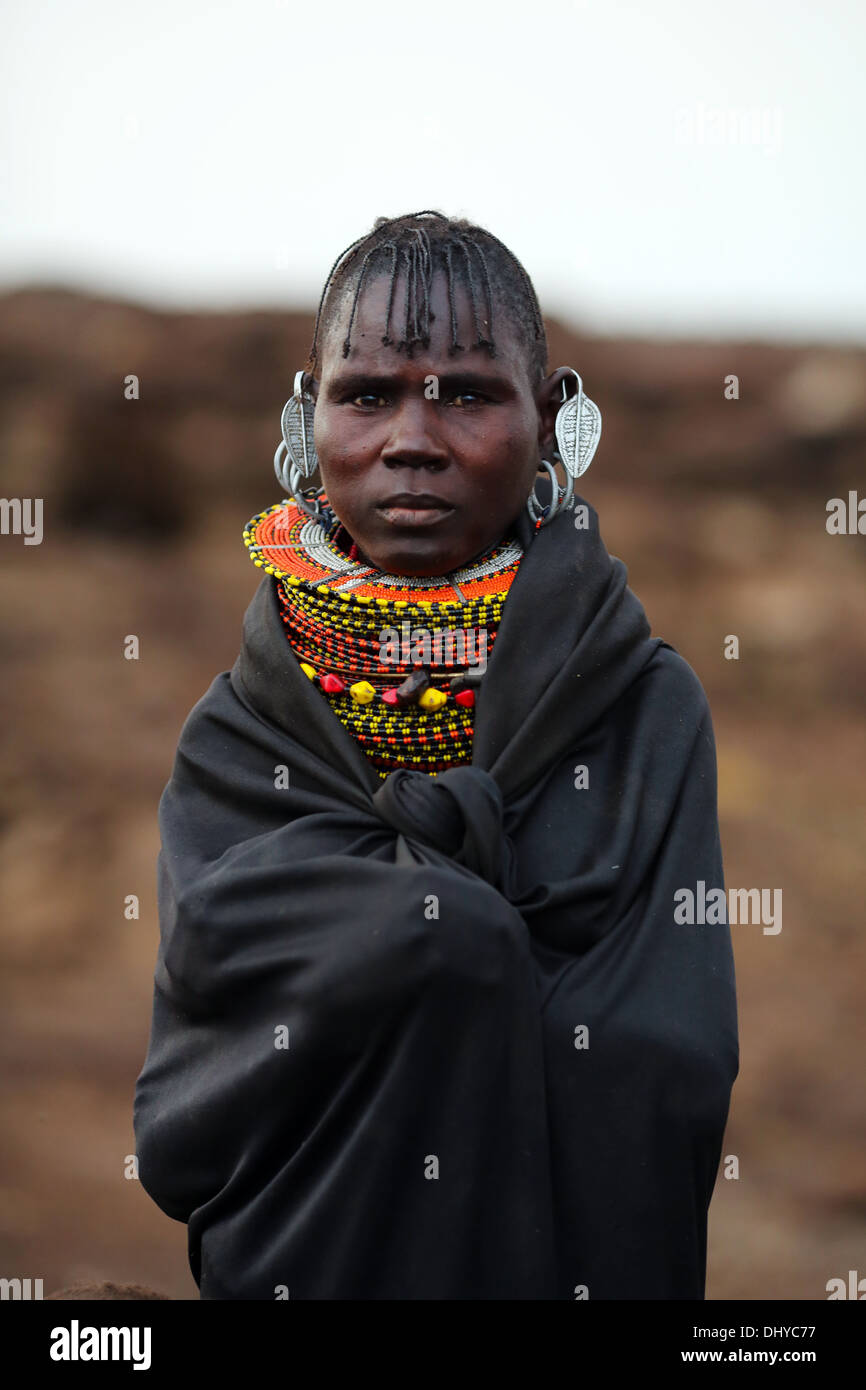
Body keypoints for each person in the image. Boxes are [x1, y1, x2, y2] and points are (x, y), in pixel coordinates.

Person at [133, 211, 738, 1300]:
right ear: (302, 412)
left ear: (551, 420)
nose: (412, 436)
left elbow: (664, 1059)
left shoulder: (644, 708)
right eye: (365, 395)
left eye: (466, 393)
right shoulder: (241, 733)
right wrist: (455, 937)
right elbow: (206, 1077)